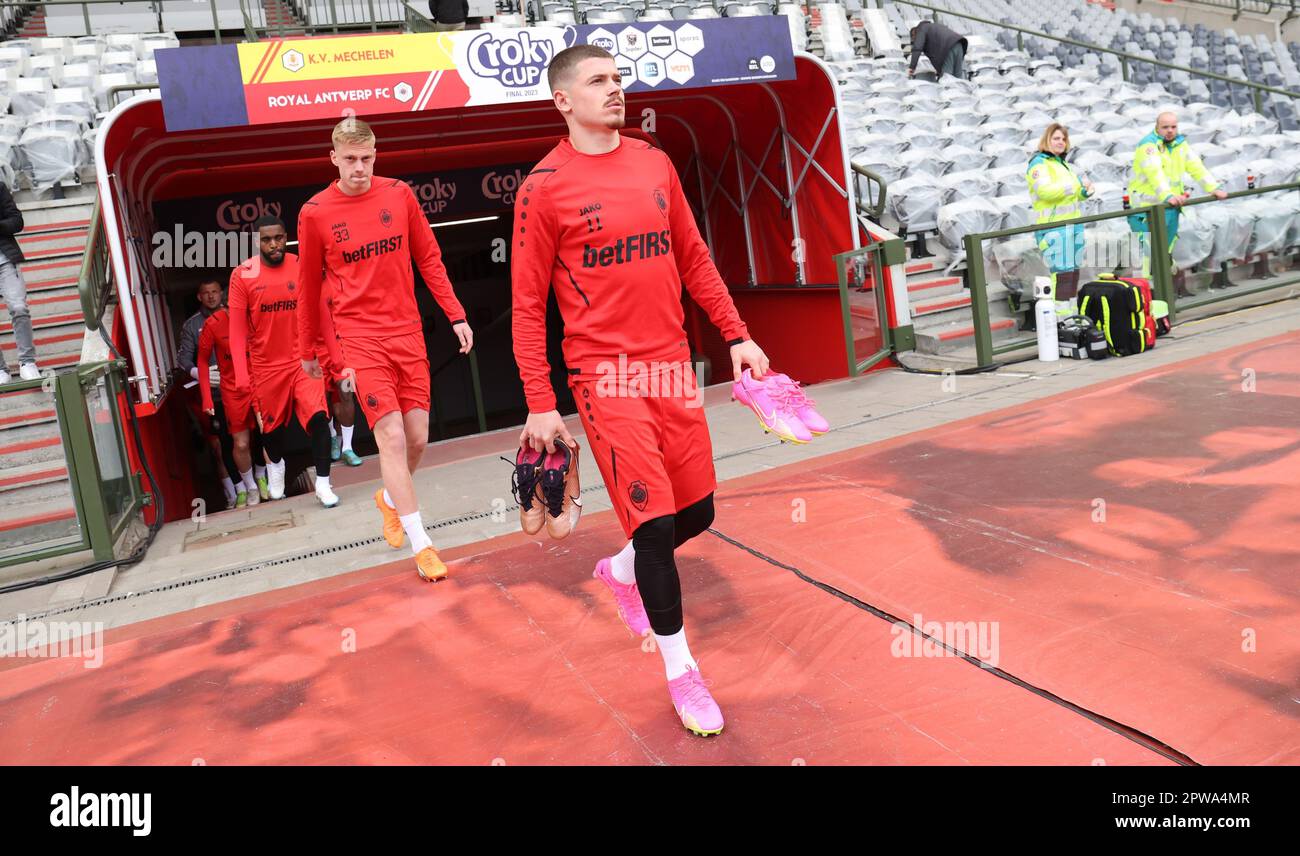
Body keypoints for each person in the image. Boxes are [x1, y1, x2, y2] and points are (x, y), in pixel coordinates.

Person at [511, 44, 770, 737]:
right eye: (598, 82)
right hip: (604, 377)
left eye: (618, 79)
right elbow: (527, 304)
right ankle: (682, 670)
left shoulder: (654, 163)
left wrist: (736, 334)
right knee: (655, 526)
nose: (614, 90)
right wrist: (542, 401)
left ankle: (621, 569)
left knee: (700, 514)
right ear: (563, 99)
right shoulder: (542, 187)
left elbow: (693, 256)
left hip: (670, 367)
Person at [297, 118, 474, 581]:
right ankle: (424, 545)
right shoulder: (315, 212)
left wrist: (455, 313)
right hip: (360, 339)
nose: (360, 168)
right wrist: (309, 350)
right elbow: (307, 285)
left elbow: (429, 257)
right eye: (351, 159)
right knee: (391, 437)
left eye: (367, 159)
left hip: (408, 332)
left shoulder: (398, 194)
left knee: (417, 438)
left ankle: (390, 499)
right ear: (333, 157)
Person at [229, 216, 338, 509]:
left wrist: (335, 357)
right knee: (272, 435)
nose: (273, 244)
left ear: (286, 236)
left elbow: (323, 315)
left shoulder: (302, 265)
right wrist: (241, 374)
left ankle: (325, 485)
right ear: (257, 242)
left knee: (319, 419)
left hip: (304, 361)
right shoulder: (243, 275)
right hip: (266, 368)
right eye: (266, 239)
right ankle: (276, 466)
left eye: (278, 238)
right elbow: (237, 332)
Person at [178, 278, 267, 508]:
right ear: (199, 296)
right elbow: (184, 360)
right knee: (225, 444)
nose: (212, 297)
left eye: (215, 292)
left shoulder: (245, 317)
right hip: (218, 392)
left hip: (247, 385)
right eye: (206, 293)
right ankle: (238, 490)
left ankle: (261, 479)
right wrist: (200, 373)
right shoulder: (193, 325)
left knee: (260, 432)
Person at [1127, 110, 1228, 279]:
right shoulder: (1148, 146)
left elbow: (1196, 167)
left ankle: (1163, 296)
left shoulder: (1180, 144)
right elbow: (1154, 173)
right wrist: (1167, 196)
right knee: (1148, 255)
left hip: (1170, 207)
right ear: (1157, 127)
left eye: (1173, 127)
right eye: (1165, 127)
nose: (1170, 130)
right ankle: (1149, 296)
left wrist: (1213, 188)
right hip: (1146, 210)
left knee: (1165, 251)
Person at [197, 302, 265, 508]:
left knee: (268, 432)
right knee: (241, 443)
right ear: (226, 306)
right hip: (233, 390)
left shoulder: (258, 315)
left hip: (260, 382)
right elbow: (201, 360)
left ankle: (264, 477)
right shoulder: (213, 324)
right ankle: (251, 486)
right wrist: (207, 398)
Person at [1027, 123, 1093, 316]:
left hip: (1073, 225)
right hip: (1054, 228)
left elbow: (1073, 196)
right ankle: (1061, 321)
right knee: (1062, 274)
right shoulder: (1038, 164)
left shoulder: (1062, 164)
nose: (1061, 142)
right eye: (1056, 138)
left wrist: (1084, 192)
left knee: (1073, 273)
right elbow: (1045, 192)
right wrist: (1073, 187)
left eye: (1063, 139)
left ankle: (1072, 315)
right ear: (1047, 140)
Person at [0, 180, 40, 384]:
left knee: (19, 307)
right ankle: (1, 369)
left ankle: (27, 362)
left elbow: (17, 221)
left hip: (5, 259)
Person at [316, 298, 363, 468]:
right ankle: (332, 434)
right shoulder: (306, 285)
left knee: (347, 394)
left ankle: (348, 448)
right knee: (324, 399)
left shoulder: (338, 281)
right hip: (318, 353)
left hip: (342, 353)